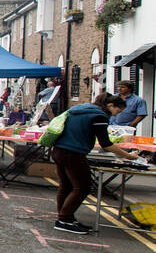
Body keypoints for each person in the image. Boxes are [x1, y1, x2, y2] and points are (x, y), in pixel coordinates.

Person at [52, 92, 141, 234]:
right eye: (118, 111)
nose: (116, 115)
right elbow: (106, 144)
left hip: (58, 149)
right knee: (82, 187)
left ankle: (65, 218)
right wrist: (128, 156)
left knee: (66, 185)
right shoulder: (99, 116)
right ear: (110, 105)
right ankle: (64, 220)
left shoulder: (79, 109)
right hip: (73, 153)